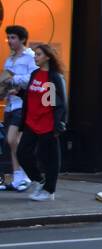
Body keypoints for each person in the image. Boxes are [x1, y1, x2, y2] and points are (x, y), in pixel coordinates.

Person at [17, 44, 66, 202]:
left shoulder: (53, 77)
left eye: (38, 54)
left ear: (47, 57)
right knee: (22, 153)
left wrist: (59, 124)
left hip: (47, 124)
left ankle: (49, 190)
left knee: (50, 159)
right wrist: (19, 92)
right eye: (35, 54)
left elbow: (57, 102)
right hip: (31, 122)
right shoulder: (35, 74)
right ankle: (39, 180)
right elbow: (34, 95)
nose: (35, 57)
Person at [2, 25, 37, 192]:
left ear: (22, 39)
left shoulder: (30, 57)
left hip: (24, 104)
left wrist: (14, 79)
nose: (10, 41)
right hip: (10, 103)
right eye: (8, 37)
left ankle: (24, 173)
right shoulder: (9, 60)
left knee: (12, 139)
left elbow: (34, 77)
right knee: (12, 141)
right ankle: (19, 175)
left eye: (13, 37)